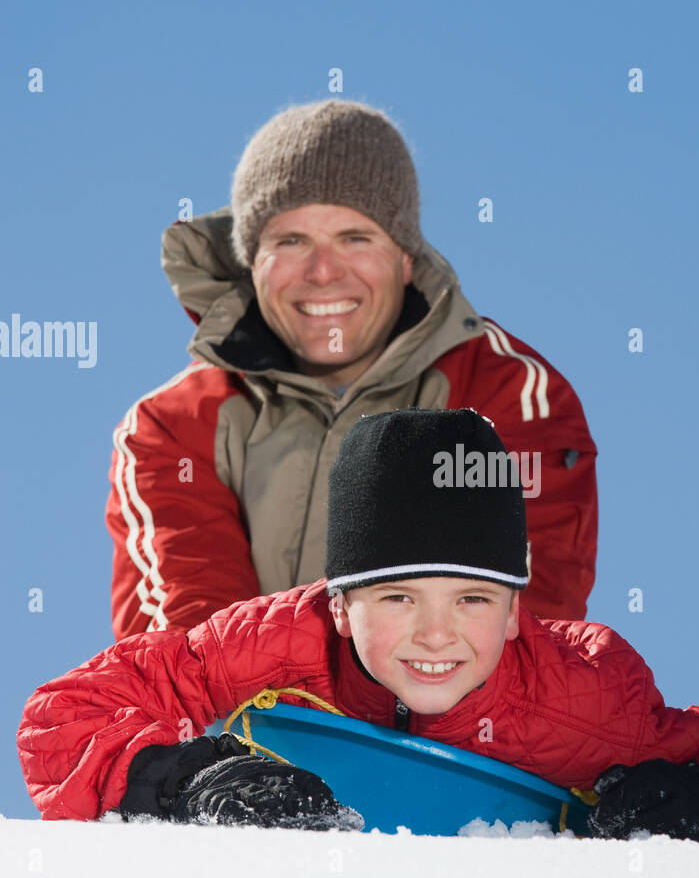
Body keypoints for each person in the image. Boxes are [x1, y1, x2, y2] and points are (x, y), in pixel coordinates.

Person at [22, 410, 699, 842]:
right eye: (396, 599)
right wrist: (187, 777)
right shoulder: (266, 651)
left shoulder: (585, 691)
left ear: (518, 611)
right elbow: (60, 717)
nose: (435, 633)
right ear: (340, 601)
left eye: (473, 600)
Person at [107, 99, 598, 639]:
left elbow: (527, 620)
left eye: (355, 238)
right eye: (290, 241)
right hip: (248, 718)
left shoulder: (504, 393)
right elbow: (187, 637)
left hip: (446, 719)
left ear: (406, 259)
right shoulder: (176, 423)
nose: (322, 272)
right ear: (252, 262)